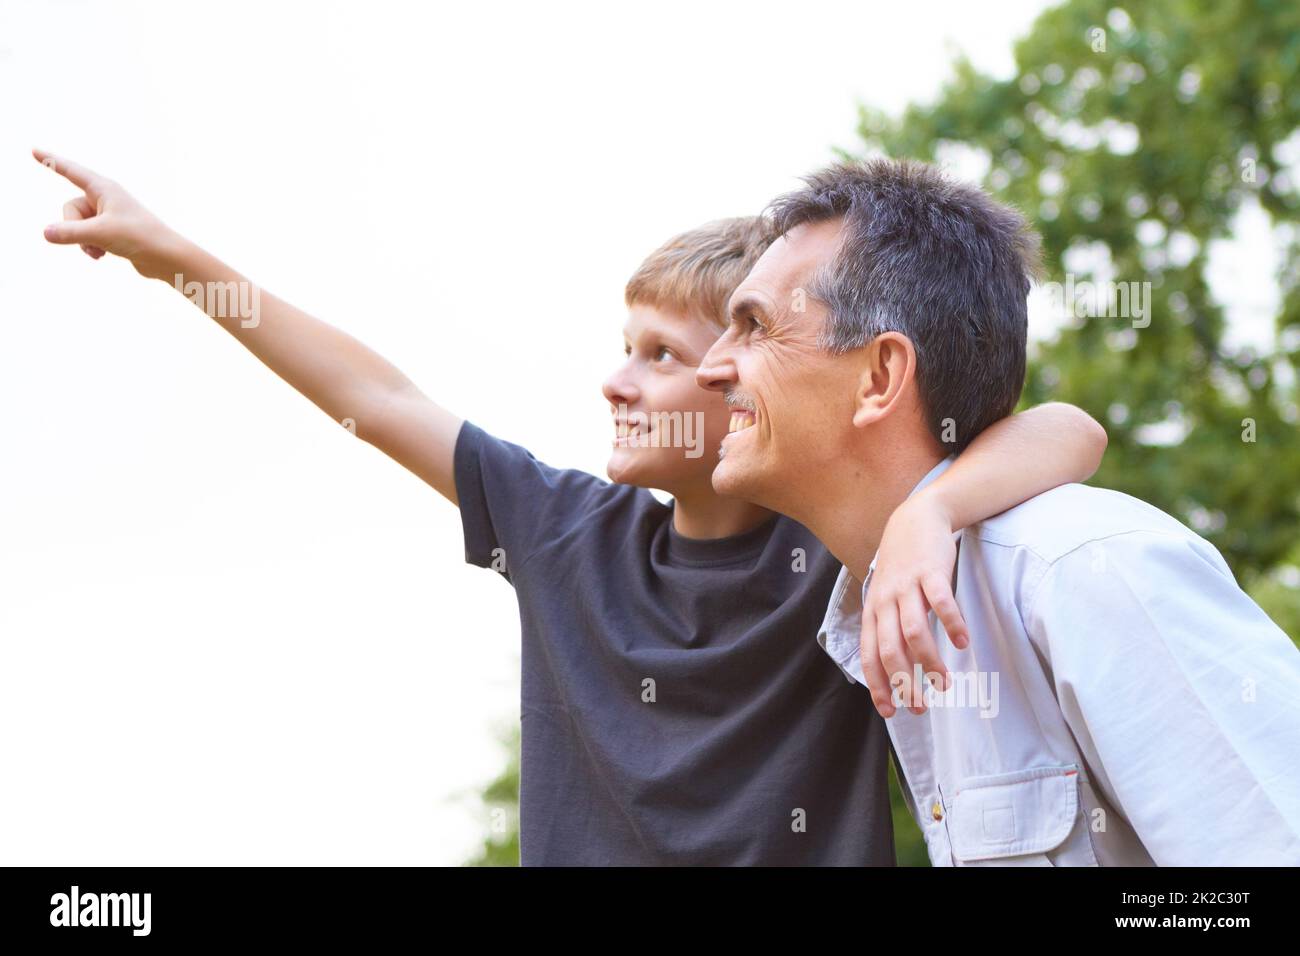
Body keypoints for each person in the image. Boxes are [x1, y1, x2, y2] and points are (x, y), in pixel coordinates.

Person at [34, 148, 1105, 865]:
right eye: (620, 346)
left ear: (735, 378)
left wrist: (928, 512)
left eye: (660, 357)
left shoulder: (832, 548)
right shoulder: (562, 530)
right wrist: (167, 256)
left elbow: (1071, 431)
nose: (616, 381)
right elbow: (375, 395)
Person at [696, 155, 1300, 866]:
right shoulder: (888, 611)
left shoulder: (1082, 570)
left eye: (755, 325)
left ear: (881, 376)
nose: (712, 367)